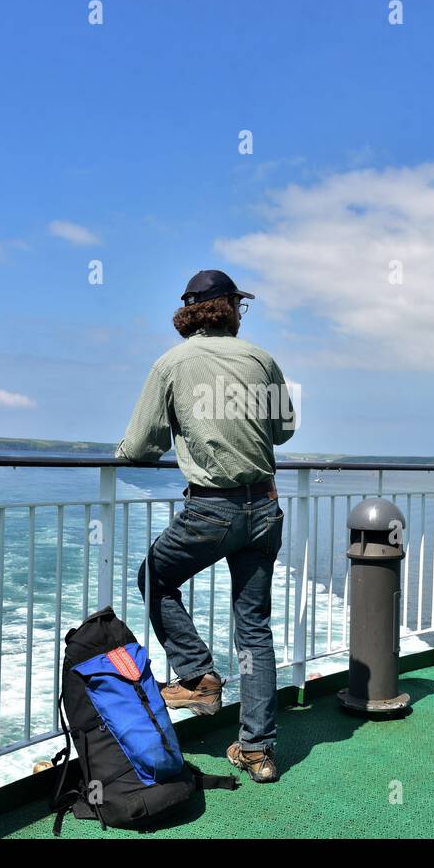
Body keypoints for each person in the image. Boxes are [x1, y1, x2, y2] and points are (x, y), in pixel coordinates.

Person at [116, 269, 296, 783]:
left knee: (154, 577)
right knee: (254, 629)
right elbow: (283, 431)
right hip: (263, 509)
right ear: (230, 309)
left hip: (211, 511)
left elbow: (137, 445)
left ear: (190, 311)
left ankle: (197, 675)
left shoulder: (170, 364)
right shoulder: (262, 360)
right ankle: (258, 751)